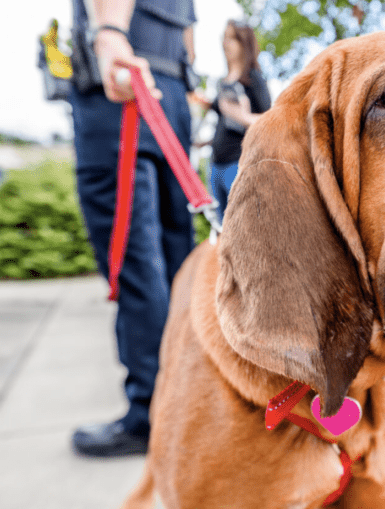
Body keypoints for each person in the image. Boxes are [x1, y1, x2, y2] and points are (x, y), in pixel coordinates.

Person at [68, 0, 197, 457]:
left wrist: (109, 32)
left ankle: (152, 415)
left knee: (135, 262)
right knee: (178, 261)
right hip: (171, 89)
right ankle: (191, 403)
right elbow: (190, 41)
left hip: (121, 83)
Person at [195, 20, 271, 220]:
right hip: (215, 166)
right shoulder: (223, 82)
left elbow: (269, 121)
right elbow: (224, 123)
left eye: (232, 38)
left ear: (243, 43)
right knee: (222, 228)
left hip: (238, 165)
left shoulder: (253, 79)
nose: (225, 43)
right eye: (224, 38)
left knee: (242, 224)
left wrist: (243, 117)